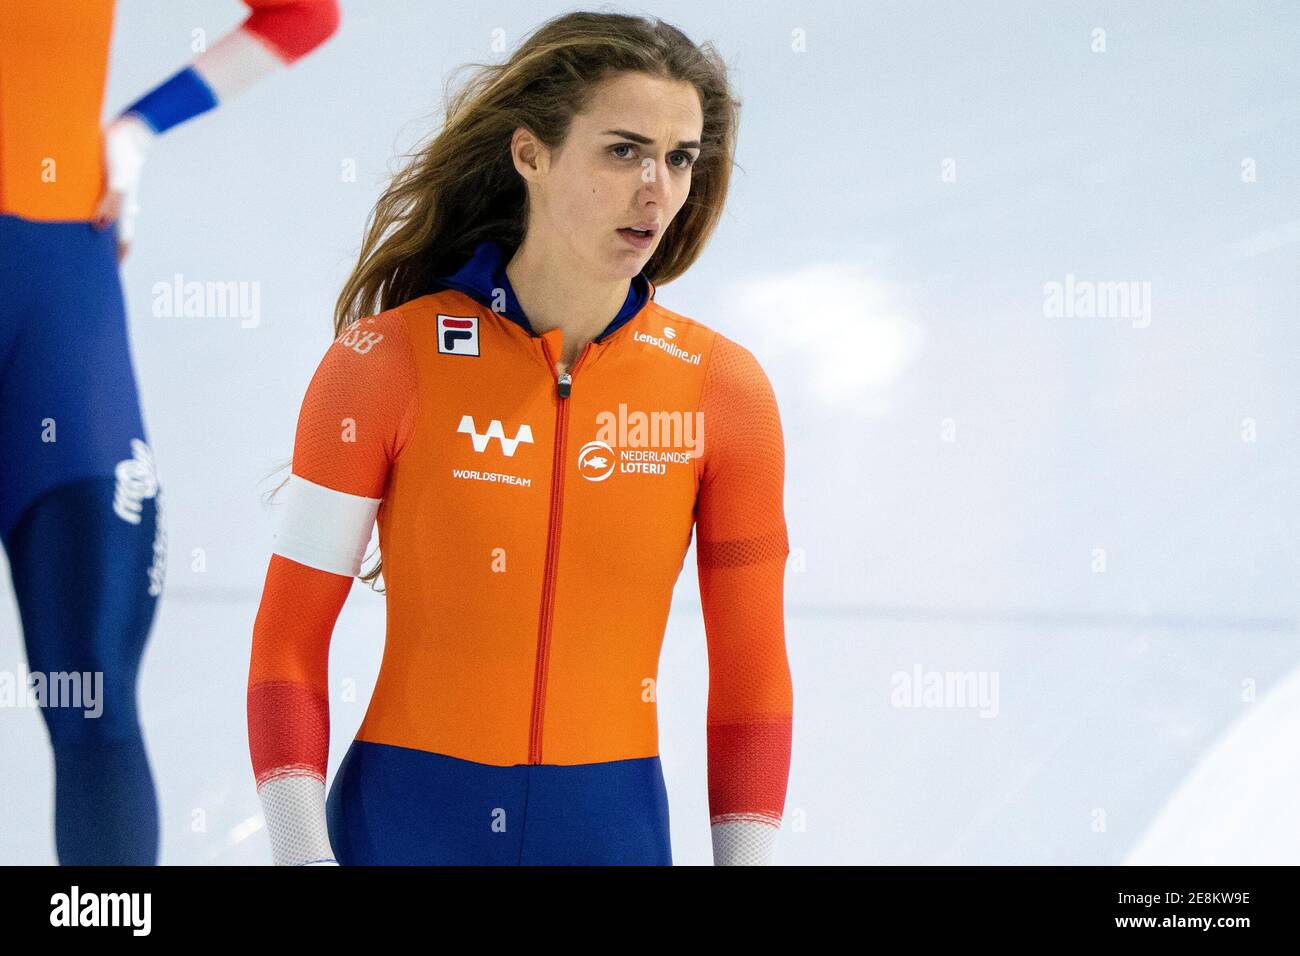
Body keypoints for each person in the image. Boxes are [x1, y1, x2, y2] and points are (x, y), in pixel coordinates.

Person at [248, 10, 793, 866]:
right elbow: (287, 640)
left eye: (680, 158)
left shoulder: (720, 390)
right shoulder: (384, 362)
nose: (657, 188)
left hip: (610, 831)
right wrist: (299, 853)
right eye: (623, 150)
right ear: (529, 153)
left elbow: (752, 677)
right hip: (403, 825)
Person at [0, 0, 340, 865]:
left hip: (61, 299)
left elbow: (303, 13)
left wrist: (142, 128)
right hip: (61, 290)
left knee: (93, 699)